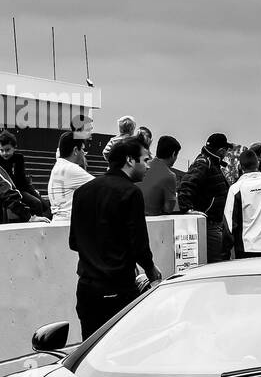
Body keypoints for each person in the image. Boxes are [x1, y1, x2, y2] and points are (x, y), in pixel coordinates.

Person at [70, 137, 162, 338]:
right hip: (117, 289)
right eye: (145, 160)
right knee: (119, 348)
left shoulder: (82, 191)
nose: (148, 166)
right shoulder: (130, 193)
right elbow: (139, 243)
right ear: (130, 160)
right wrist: (150, 269)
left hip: (86, 289)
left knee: (90, 351)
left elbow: (74, 242)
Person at [178, 133, 232, 262]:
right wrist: (187, 209)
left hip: (214, 222)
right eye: (225, 150)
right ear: (221, 150)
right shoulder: (204, 163)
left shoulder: (210, 163)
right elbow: (186, 184)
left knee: (218, 261)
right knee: (215, 264)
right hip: (210, 224)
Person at [0, 130, 48, 217]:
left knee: (46, 205)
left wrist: (33, 191)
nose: (4, 153)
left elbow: (22, 179)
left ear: (14, 147)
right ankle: (36, 224)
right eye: (1, 150)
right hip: (13, 189)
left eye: (7, 150)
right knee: (37, 203)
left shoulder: (19, 158)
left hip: (24, 186)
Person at [48, 131, 94, 222]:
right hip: (68, 224)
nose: (84, 153)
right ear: (76, 150)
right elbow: (103, 186)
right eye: (82, 149)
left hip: (59, 220)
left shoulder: (58, 166)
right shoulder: (71, 169)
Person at [139, 134, 181, 216]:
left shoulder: (142, 165)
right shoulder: (169, 175)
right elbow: (168, 208)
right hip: (150, 221)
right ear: (173, 154)